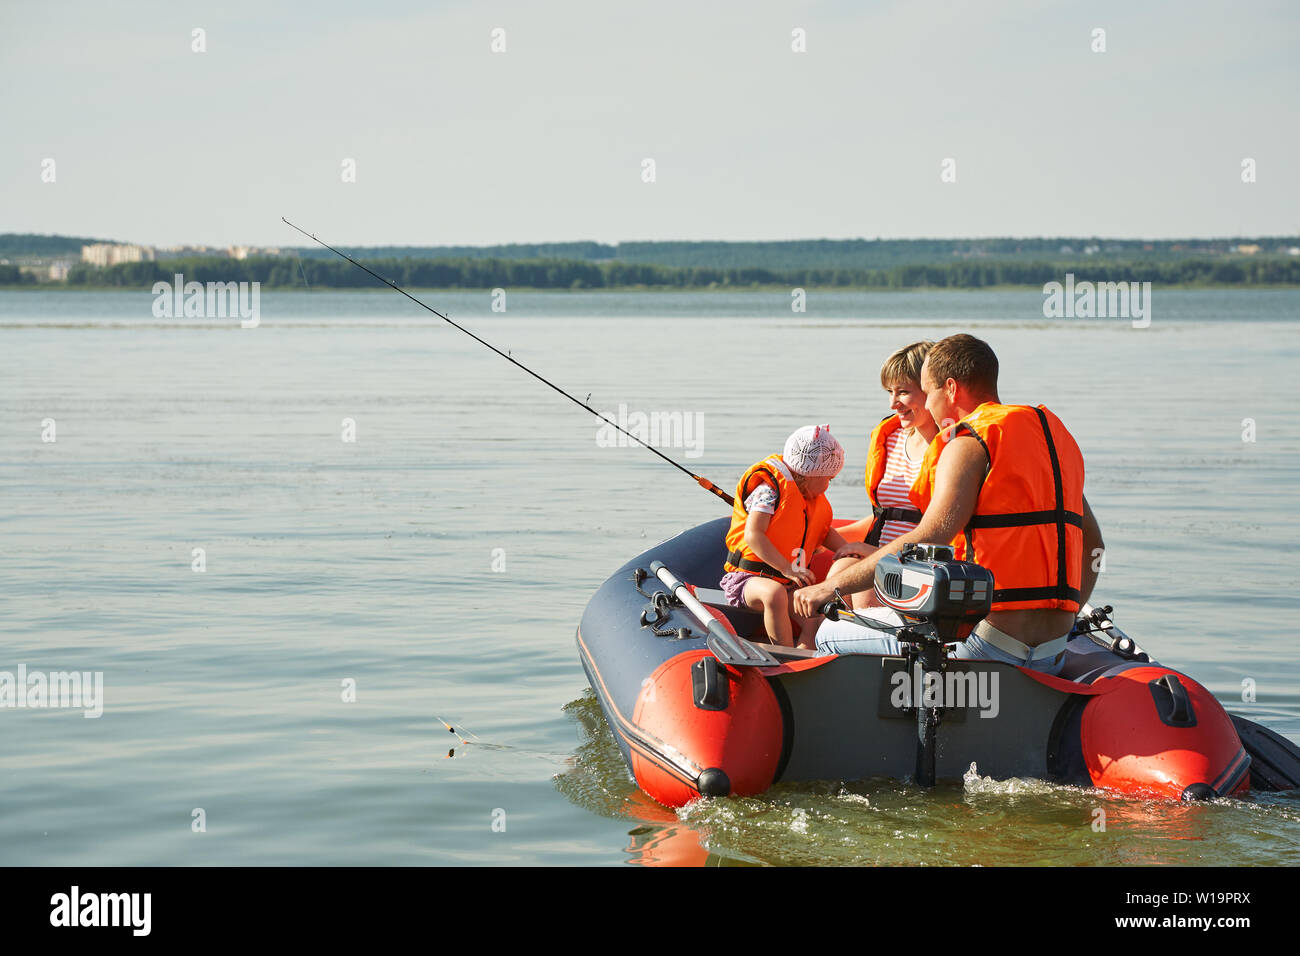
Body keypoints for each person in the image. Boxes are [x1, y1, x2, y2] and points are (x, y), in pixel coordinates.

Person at [792, 334, 1104, 675]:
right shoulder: (1052, 436)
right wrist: (1071, 615)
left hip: (987, 645)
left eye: (930, 392)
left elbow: (932, 534)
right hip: (1052, 653)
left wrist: (828, 588)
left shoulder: (967, 441)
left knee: (829, 633)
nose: (930, 405)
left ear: (951, 389)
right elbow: (1095, 545)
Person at [720, 424, 852, 649]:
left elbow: (823, 532)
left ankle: (806, 647)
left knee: (813, 604)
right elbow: (754, 535)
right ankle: (785, 652)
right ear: (810, 475)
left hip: (788, 583)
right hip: (747, 581)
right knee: (775, 594)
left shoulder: (808, 500)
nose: (829, 485)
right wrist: (786, 568)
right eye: (829, 478)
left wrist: (849, 549)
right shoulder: (768, 490)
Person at [832, 341, 939, 608]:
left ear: (932, 389)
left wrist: (881, 555)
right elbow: (889, 513)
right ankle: (814, 647)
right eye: (889, 392)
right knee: (839, 571)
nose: (893, 403)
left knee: (868, 587)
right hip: (878, 554)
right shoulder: (889, 438)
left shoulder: (955, 447)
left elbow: (942, 528)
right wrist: (815, 536)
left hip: (924, 564)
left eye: (903, 392)